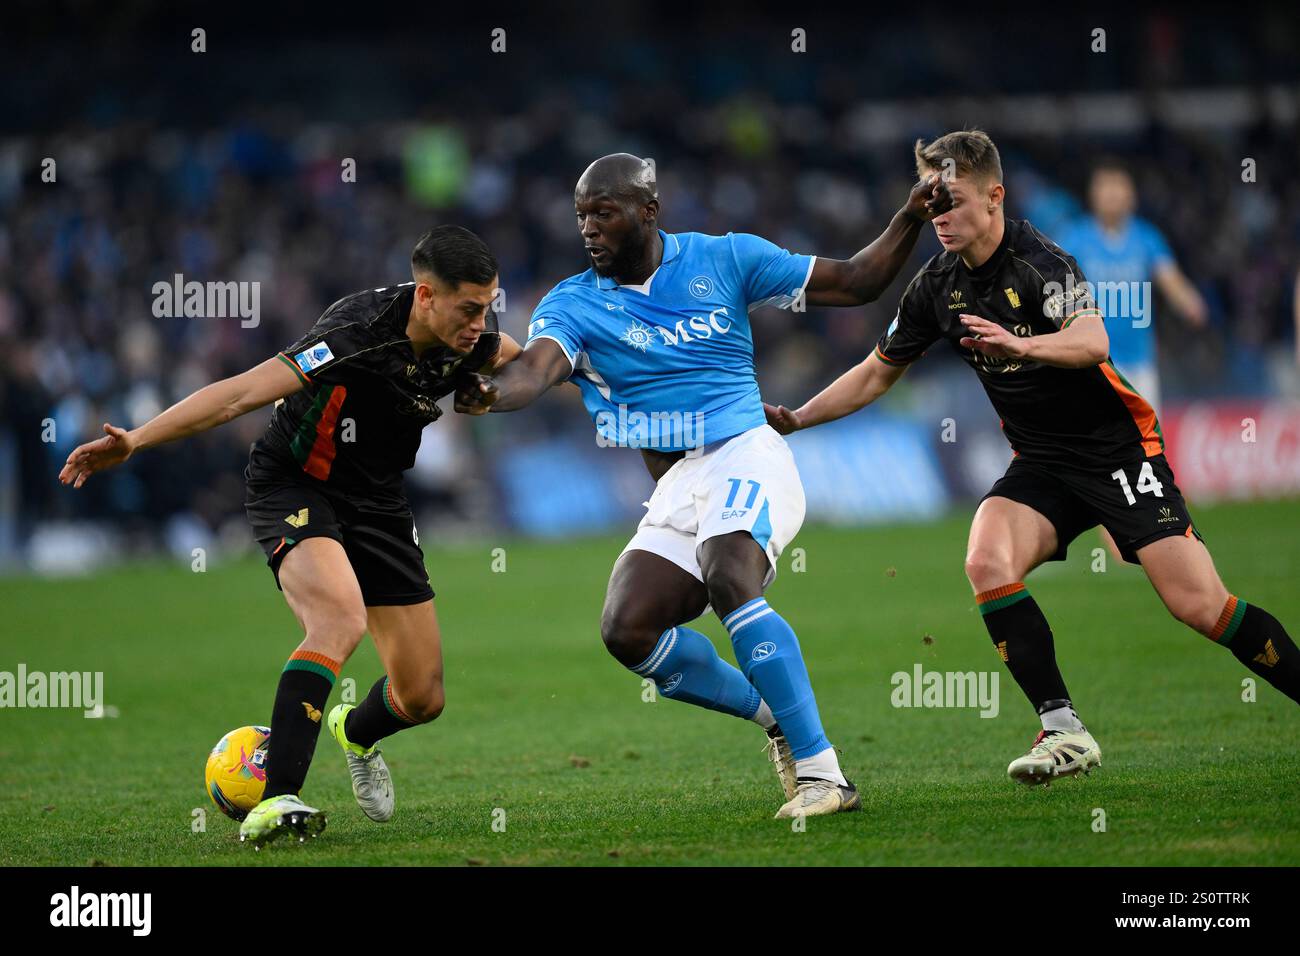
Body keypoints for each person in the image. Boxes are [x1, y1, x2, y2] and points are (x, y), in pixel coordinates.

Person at [765, 130, 1299, 785]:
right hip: (1042, 461)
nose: (940, 216)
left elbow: (1093, 341)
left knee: (1199, 605)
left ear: (995, 196)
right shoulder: (936, 287)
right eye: (929, 202)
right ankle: (1063, 731)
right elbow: (876, 373)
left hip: (1116, 453)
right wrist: (796, 418)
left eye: (953, 200)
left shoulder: (1041, 263)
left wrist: (1025, 349)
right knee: (986, 557)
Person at [457, 152, 951, 817]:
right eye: (581, 216)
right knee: (627, 630)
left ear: (648, 210)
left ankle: (824, 774)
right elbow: (535, 371)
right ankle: (776, 716)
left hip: (747, 452)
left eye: (603, 212)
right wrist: (489, 392)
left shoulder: (726, 259)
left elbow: (858, 280)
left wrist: (909, 216)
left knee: (729, 576)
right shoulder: (573, 303)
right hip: (678, 483)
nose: (589, 229)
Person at [59, 225, 520, 843]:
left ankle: (356, 732)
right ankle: (275, 802)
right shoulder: (351, 335)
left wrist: (496, 390)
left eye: (488, 306)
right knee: (337, 621)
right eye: (469, 308)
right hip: (296, 486)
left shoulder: (467, 339)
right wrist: (137, 440)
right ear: (425, 295)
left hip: (379, 502)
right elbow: (239, 396)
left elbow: (522, 360)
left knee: (423, 696)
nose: (480, 323)